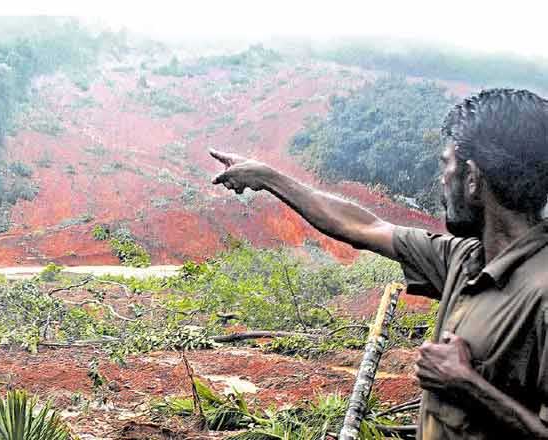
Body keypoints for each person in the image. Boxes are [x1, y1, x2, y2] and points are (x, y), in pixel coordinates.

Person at [210, 88, 548, 439]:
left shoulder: (542, 292)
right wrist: (267, 177)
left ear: (474, 179)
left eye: (446, 164)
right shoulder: (461, 258)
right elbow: (362, 227)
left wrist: (466, 386)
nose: (442, 178)